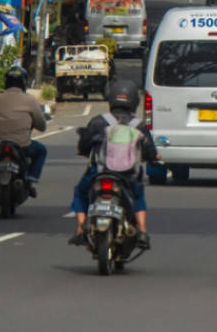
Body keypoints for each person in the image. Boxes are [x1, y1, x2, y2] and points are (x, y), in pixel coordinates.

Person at [68, 81, 159, 249]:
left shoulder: (98, 121)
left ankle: (80, 229)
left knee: (80, 193)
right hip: (128, 175)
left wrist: (83, 150)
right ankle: (143, 231)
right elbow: (150, 151)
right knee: (138, 194)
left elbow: (84, 145)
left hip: (99, 172)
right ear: (134, 101)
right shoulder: (138, 125)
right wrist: (154, 158)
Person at [0, 65, 48, 191]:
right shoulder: (30, 100)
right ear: (24, 82)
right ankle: (32, 178)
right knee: (41, 151)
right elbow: (41, 125)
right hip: (23, 145)